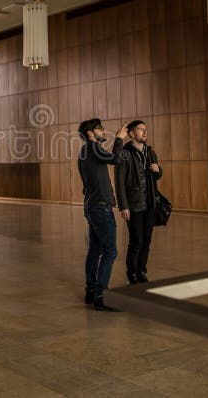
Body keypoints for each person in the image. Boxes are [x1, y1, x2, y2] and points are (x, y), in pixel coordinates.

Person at [77, 118, 130, 311]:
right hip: (100, 207)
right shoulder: (92, 147)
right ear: (90, 133)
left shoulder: (85, 151)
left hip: (92, 206)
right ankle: (101, 296)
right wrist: (119, 139)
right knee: (110, 251)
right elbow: (115, 159)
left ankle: (91, 291)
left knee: (95, 250)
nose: (103, 130)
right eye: (100, 128)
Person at [114, 120, 162, 285]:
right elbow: (119, 181)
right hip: (134, 204)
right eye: (141, 129)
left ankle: (142, 270)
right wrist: (123, 205)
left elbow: (157, 175)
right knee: (136, 240)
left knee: (147, 240)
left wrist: (158, 171)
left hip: (149, 203)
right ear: (132, 134)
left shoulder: (150, 152)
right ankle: (132, 273)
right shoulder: (125, 153)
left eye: (146, 129)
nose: (145, 132)